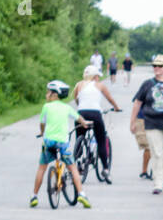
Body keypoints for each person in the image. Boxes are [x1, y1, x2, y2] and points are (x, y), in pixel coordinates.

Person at [31, 80, 91, 208]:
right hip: (63, 142)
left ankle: (34, 196)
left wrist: (42, 132)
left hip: (49, 142)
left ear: (55, 94)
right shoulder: (67, 107)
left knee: (42, 167)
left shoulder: (46, 107)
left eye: (48, 92)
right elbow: (79, 118)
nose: (47, 94)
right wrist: (85, 123)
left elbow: (42, 123)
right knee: (72, 167)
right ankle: (81, 193)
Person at [129, 54, 163, 195]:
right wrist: (133, 121)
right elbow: (137, 103)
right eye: (155, 66)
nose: (157, 68)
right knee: (157, 153)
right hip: (152, 121)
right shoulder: (147, 84)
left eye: (160, 66)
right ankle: (157, 184)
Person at [73, 65, 120, 176]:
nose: (98, 78)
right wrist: (116, 107)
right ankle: (105, 168)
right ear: (94, 76)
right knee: (101, 140)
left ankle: (78, 162)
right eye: (98, 76)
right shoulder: (100, 85)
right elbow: (110, 99)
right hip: (95, 114)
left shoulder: (79, 85)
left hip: (81, 114)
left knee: (79, 138)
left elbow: (76, 99)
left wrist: (81, 107)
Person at [133, 100, 152, 179]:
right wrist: (133, 121)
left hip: (160, 119)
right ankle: (144, 171)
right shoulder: (145, 87)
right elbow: (136, 102)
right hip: (143, 118)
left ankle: (154, 170)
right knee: (148, 147)